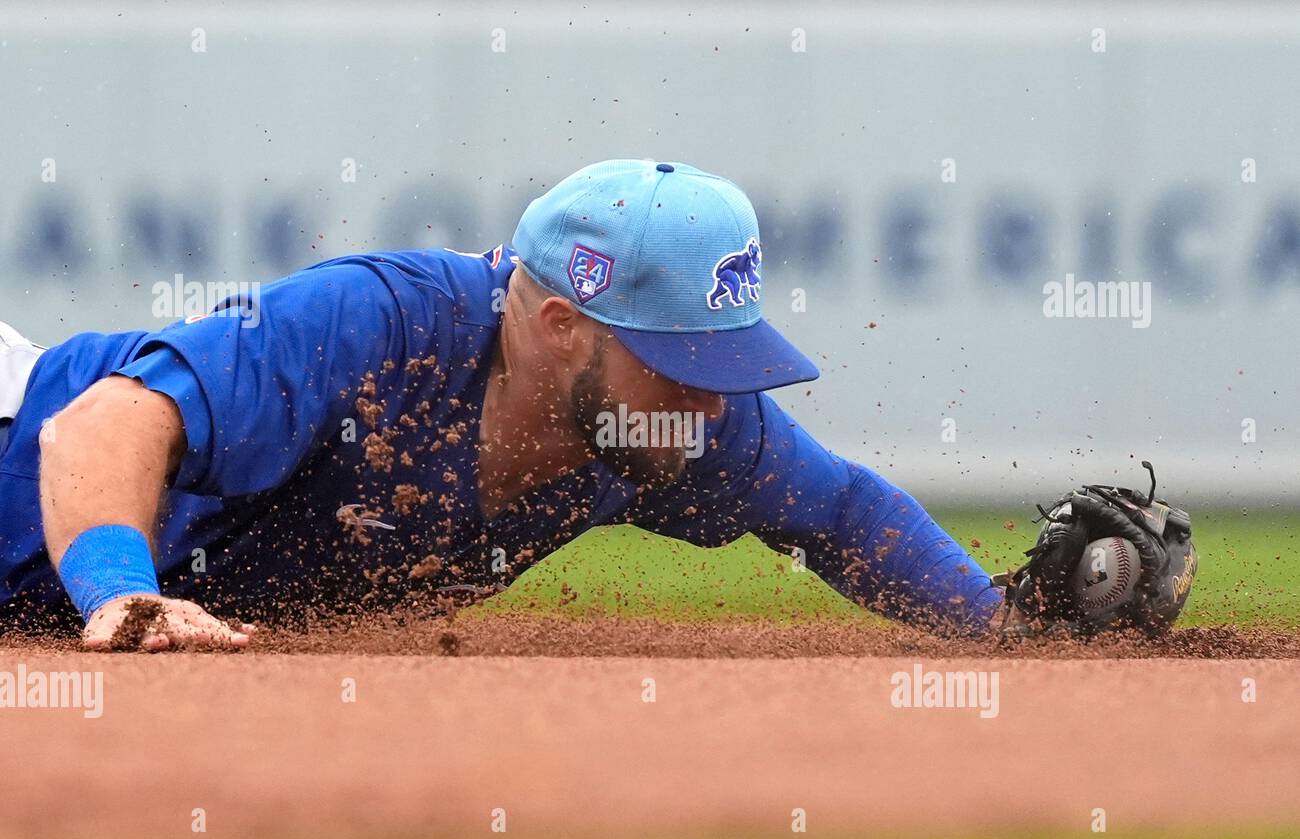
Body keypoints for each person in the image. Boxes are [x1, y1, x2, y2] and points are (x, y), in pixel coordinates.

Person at [0, 159, 1003, 649]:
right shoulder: (373, 322)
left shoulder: (672, 418)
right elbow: (100, 422)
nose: (710, 396)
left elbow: (837, 511)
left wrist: (1010, 627)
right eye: (679, 357)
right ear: (563, 326)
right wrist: (125, 601)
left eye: (727, 360)